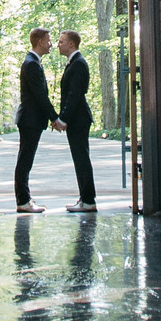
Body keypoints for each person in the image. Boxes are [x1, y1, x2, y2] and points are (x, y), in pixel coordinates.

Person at [12, 27, 56, 213]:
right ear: (40, 42)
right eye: (49, 40)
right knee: (25, 161)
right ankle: (23, 201)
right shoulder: (31, 64)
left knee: (25, 160)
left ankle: (25, 199)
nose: (51, 44)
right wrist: (55, 118)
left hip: (31, 119)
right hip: (30, 119)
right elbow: (40, 96)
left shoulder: (33, 62)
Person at [57, 29, 96, 211]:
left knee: (81, 159)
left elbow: (74, 95)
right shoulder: (74, 63)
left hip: (79, 119)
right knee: (80, 158)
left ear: (72, 44)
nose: (58, 44)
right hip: (77, 119)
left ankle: (88, 201)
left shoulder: (78, 64)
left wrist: (63, 119)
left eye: (61, 41)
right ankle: (85, 199)